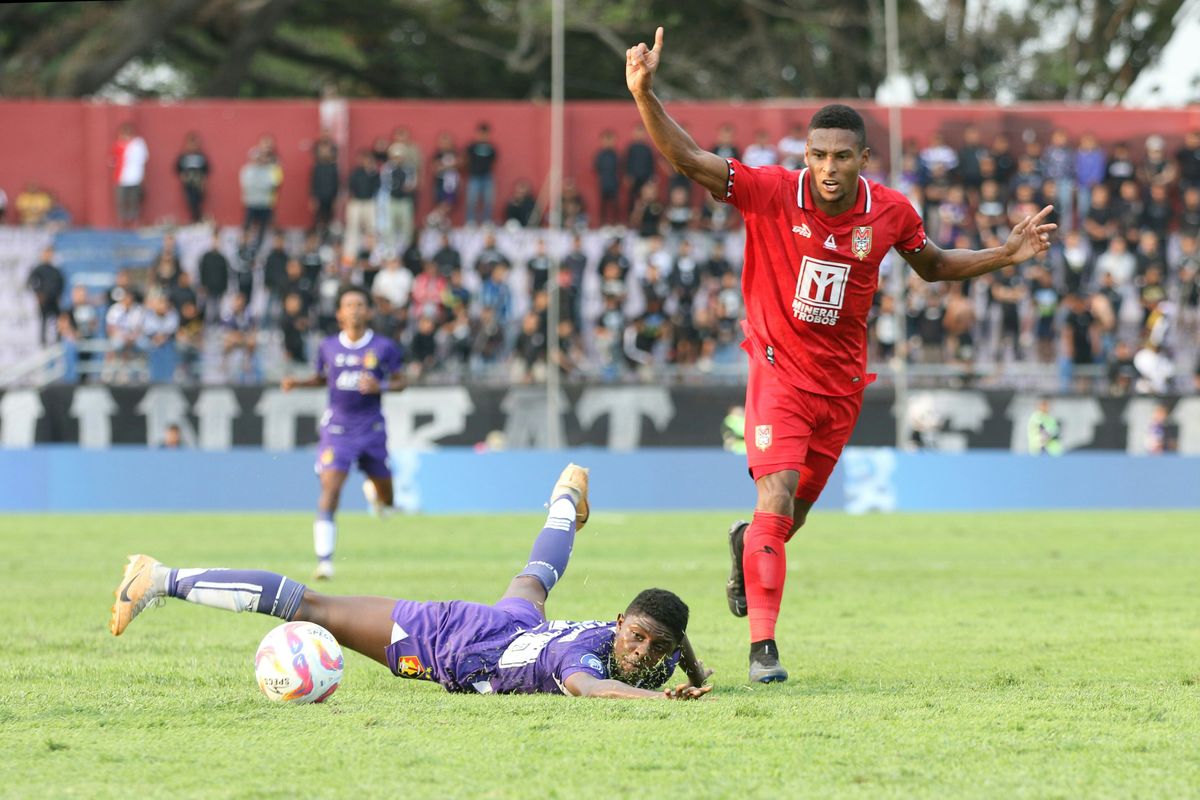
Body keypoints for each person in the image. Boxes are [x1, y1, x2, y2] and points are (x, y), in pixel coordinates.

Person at [624, 27, 1057, 683]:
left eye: (842, 157)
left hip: (842, 386)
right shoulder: (770, 190)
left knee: (786, 519)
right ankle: (763, 651)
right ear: (806, 154)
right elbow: (688, 158)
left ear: (863, 159)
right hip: (776, 371)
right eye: (818, 155)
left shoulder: (889, 213)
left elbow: (934, 266)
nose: (828, 168)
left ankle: (747, 544)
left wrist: (1005, 253)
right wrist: (645, 94)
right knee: (777, 489)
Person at [109, 465, 712, 700]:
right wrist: (660, 698)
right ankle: (157, 578)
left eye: (656, 649)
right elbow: (586, 688)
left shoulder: (653, 647)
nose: (645, 655)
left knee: (534, 579)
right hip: (455, 643)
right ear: (617, 625)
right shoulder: (590, 659)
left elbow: (668, 632)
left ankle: (563, 498)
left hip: (517, 629)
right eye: (638, 639)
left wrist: (695, 670)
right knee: (313, 607)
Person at [281, 286, 405, 580]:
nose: (355, 309)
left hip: (372, 427)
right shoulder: (328, 347)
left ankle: (377, 497)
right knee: (330, 488)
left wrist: (381, 387)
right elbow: (323, 378)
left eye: (360, 304)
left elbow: (402, 382)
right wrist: (297, 384)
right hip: (338, 428)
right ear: (339, 314)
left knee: (388, 499)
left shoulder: (384, 347)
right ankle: (325, 562)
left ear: (369, 311)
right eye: (349, 305)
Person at [175, 132, 210, 223]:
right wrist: (182, 176)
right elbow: (177, 168)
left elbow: (206, 170)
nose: (193, 146)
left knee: (198, 201)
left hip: (198, 183)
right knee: (190, 201)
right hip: (188, 183)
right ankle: (194, 219)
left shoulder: (201, 156)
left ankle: (198, 218)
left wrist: (203, 181)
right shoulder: (184, 156)